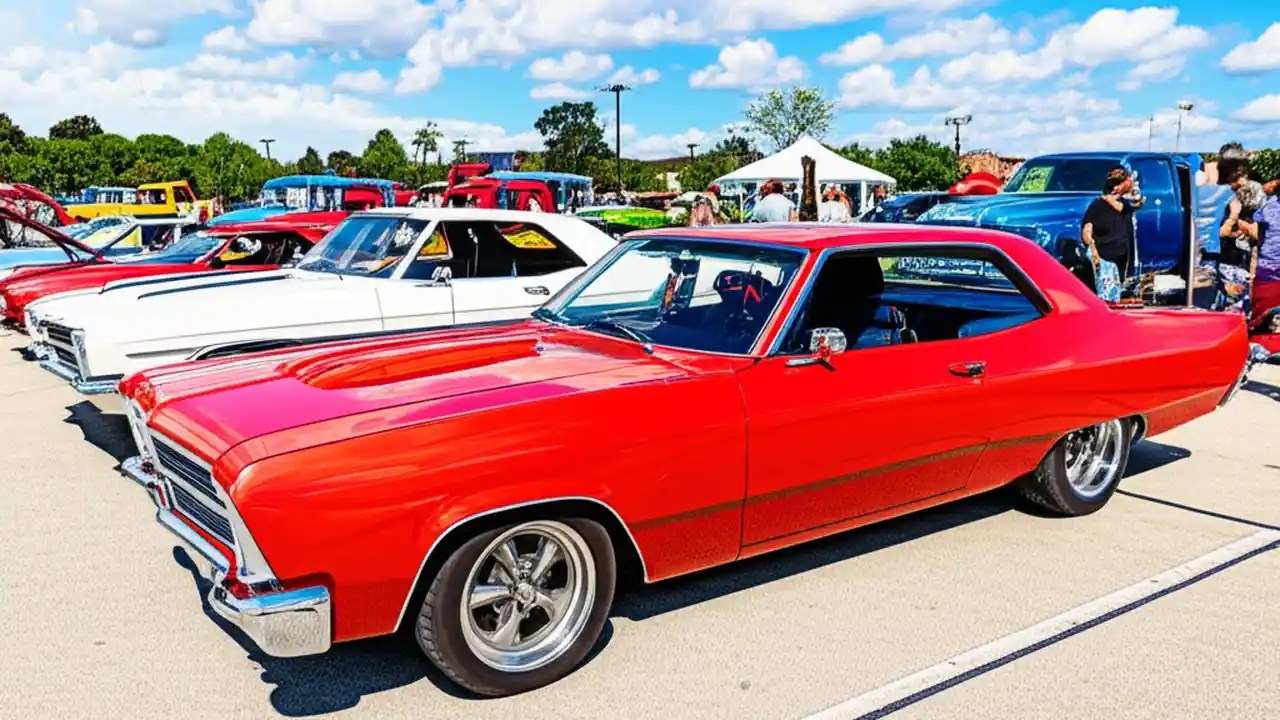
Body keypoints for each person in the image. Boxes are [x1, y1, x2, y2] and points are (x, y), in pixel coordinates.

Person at [1082, 173, 1138, 300]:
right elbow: (1087, 230)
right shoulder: (1097, 206)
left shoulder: (1127, 207)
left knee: (1120, 294)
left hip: (1123, 257)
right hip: (1106, 259)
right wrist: (1092, 248)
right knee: (1107, 295)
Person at [1243, 176, 1280, 336]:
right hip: (1270, 272)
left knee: (1264, 328)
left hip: (1268, 271)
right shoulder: (1267, 205)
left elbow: (1257, 236)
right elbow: (1258, 237)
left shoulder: (1267, 205)